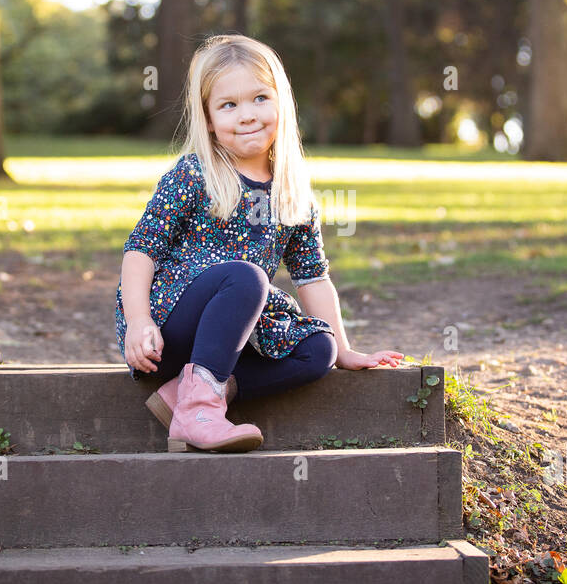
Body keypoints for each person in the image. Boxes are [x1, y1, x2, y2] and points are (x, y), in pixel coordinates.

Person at [114, 33, 404, 453]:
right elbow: (141, 247)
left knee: (317, 349)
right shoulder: (196, 174)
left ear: (281, 104)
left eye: (259, 98)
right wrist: (139, 320)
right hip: (168, 327)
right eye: (229, 105)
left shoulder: (292, 192)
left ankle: (188, 396)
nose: (247, 115)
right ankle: (197, 416)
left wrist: (344, 349)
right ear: (209, 118)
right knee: (246, 278)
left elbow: (312, 276)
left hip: (232, 337)